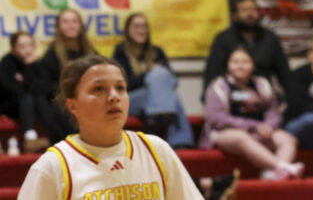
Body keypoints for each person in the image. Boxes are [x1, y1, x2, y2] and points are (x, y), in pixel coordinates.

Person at [16, 54, 203, 200]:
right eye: (99, 89)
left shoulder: (156, 150)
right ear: (73, 106)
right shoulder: (51, 167)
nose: (114, 96)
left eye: (120, 88)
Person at [199, 47, 303, 180]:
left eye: (245, 62)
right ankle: (282, 166)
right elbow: (217, 118)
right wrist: (253, 126)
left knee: (288, 139)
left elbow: (273, 111)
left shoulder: (262, 84)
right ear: (228, 65)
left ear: (252, 65)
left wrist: (268, 126)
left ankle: (273, 174)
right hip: (226, 133)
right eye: (235, 62)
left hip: (260, 131)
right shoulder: (218, 86)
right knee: (241, 137)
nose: (240, 66)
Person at [111, 12, 193, 147]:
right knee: (162, 84)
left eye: (144, 26)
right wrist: (150, 75)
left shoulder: (157, 51)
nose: (141, 30)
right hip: (131, 98)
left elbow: (172, 81)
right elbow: (124, 84)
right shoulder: (120, 52)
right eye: (137, 26)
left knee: (169, 89)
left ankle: (157, 118)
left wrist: (156, 78)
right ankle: (181, 140)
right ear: (128, 30)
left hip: (152, 103)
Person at [202, 0, 291, 95]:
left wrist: (291, 100)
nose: (250, 14)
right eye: (244, 10)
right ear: (235, 14)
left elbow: (284, 73)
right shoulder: (223, 38)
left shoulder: (270, 38)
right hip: (232, 96)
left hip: (264, 96)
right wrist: (209, 98)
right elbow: (212, 71)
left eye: (254, 9)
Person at [0, 32, 70, 148]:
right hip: (12, 106)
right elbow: (11, 90)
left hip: (35, 105)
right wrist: (28, 71)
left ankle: (60, 139)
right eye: (22, 46)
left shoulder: (38, 64)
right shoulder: (7, 62)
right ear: (13, 49)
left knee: (42, 100)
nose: (27, 50)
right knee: (28, 97)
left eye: (30, 45)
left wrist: (31, 66)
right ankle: (30, 138)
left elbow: (48, 88)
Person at [39, 8, 98, 101]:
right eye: (65, 22)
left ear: (80, 25)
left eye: (74, 21)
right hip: (65, 101)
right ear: (58, 27)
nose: (71, 25)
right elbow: (46, 87)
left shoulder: (90, 50)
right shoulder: (51, 54)